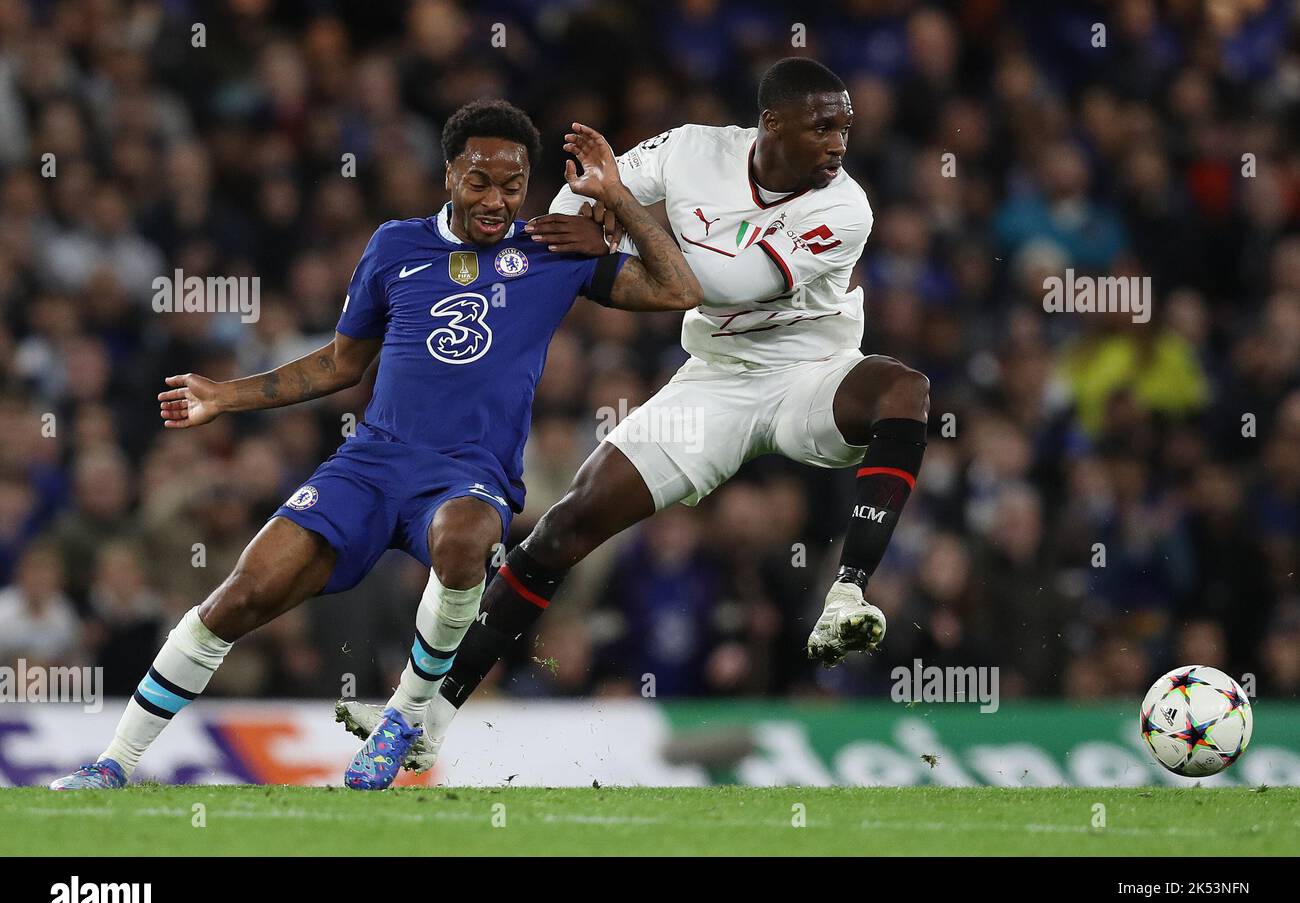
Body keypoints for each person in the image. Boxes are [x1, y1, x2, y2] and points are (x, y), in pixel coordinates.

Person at [49, 99, 702, 790]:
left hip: (468, 472)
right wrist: (224, 395)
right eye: (480, 182)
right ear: (449, 175)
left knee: (465, 542)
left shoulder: (555, 248)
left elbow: (679, 288)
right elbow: (341, 364)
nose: (496, 200)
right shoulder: (396, 246)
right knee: (238, 598)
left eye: (512, 186)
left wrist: (618, 200)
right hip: (370, 466)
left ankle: (404, 717)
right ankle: (112, 764)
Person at [339, 58, 929, 774]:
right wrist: (596, 209)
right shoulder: (690, 150)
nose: (839, 143)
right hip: (715, 383)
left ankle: (848, 590)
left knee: (904, 390)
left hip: (812, 372)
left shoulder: (847, 207)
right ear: (772, 123)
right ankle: (432, 715)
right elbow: (572, 204)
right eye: (823, 127)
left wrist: (618, 221)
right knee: (564, 528)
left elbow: (725, 282)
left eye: (845, 128)